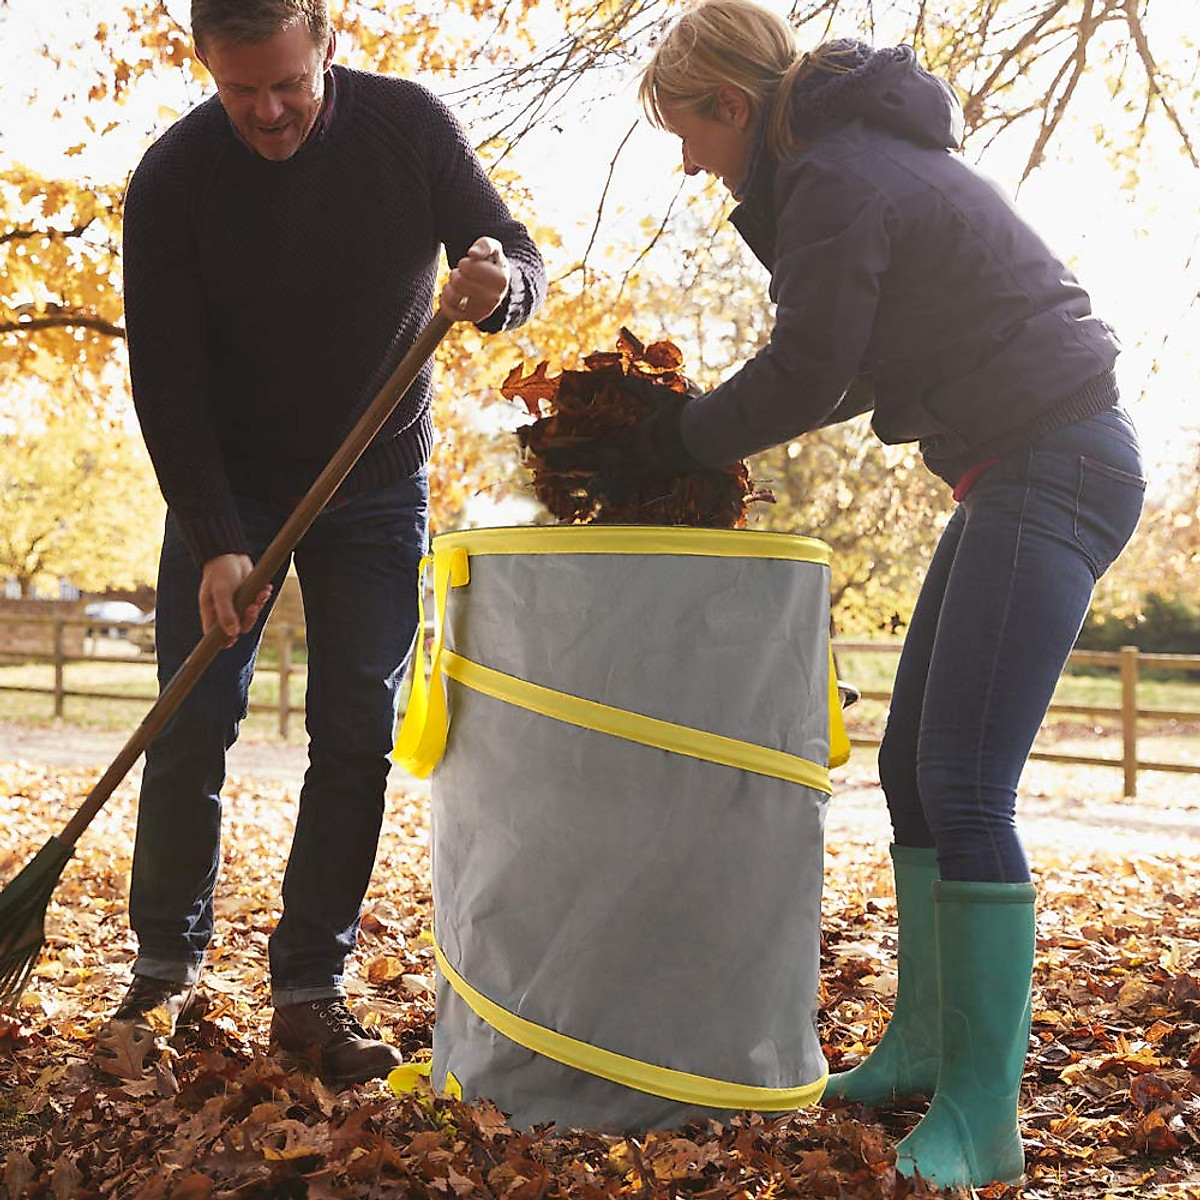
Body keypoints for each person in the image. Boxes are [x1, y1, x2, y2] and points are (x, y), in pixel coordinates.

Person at [634, 0, 1145, 1187]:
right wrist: (700, 426)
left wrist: (682, 439)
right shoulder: (848, 166)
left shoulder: (837, 177)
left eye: (687, 129)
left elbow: (810, 370)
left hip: (1054, 459)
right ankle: (925, 1045)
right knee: (917, 766)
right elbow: (851, 359)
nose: (686, 156)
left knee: (968, 783)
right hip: (1018, 463)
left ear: (733, 104)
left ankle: (983, 1116)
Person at [105, 0, 545, 1085]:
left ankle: (309, 988)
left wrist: (498, 291)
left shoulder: (408, 130)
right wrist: (213, 539)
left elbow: (519, 259)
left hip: (375, 487)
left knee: (355, 735)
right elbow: (165, 376)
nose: (266, 110)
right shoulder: (173, 179)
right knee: (191, 719)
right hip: (234, 489)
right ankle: (164, 969)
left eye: (287, 84)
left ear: (327, 45)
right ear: (204, 64)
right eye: (239, 88)